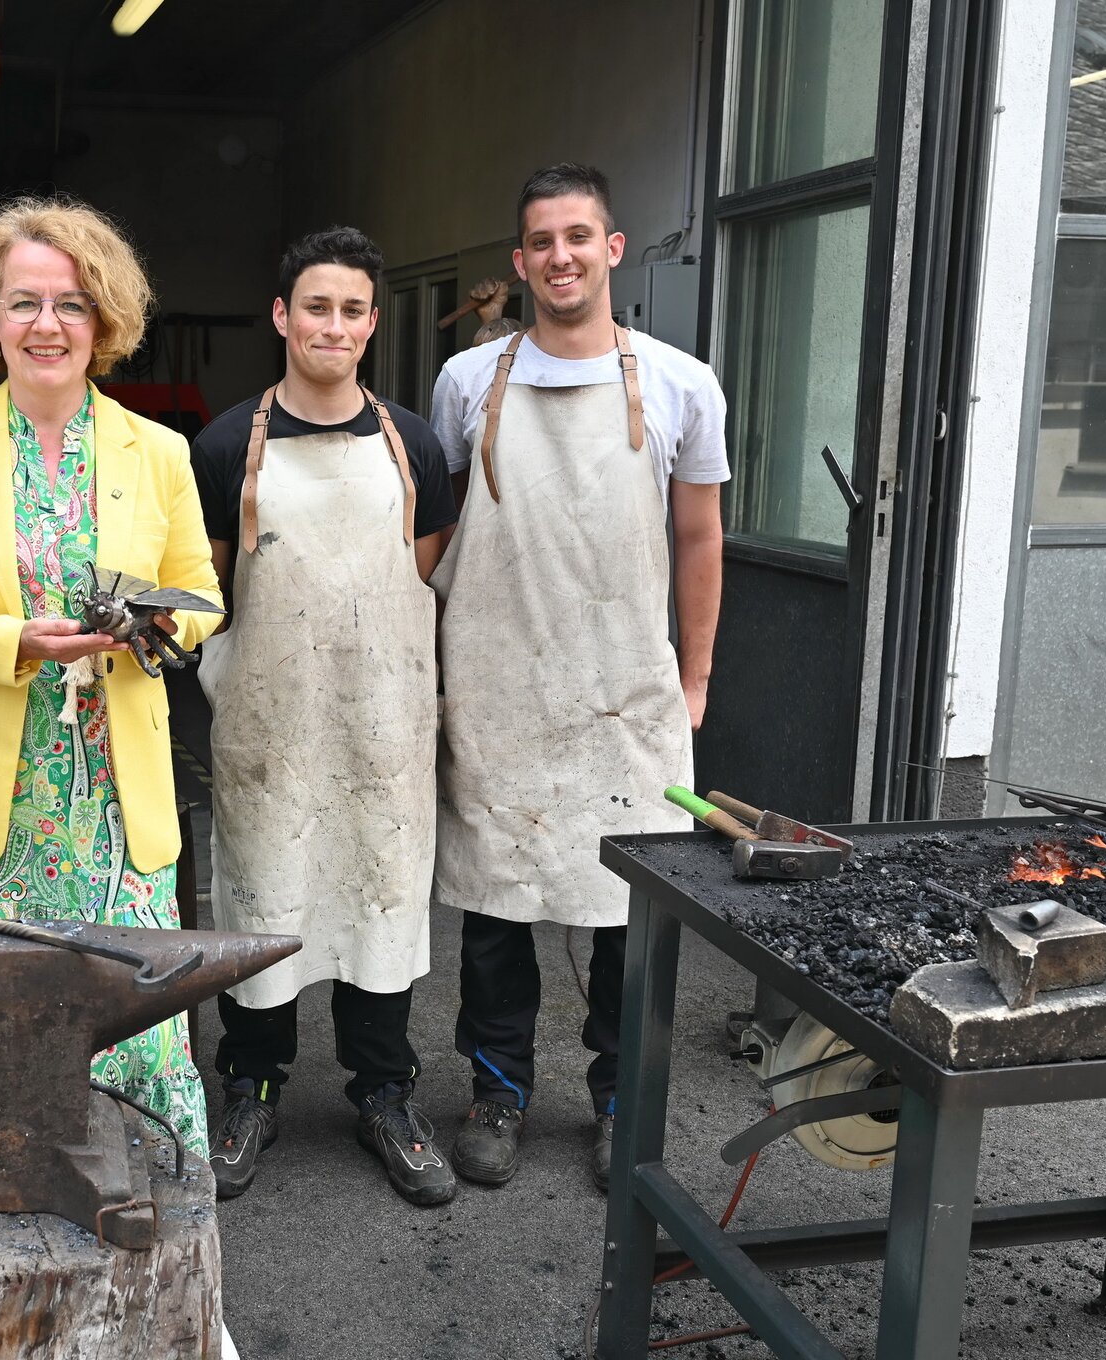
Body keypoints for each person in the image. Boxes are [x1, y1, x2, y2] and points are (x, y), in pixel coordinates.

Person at [0, 197, 222, 1160]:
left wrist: (148, 624)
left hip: (113, 791)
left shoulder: (161, 453)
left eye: (71, 304)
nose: (48, 325)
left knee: (133, 1012)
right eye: (24, 303)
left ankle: (153, 1217)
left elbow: (201, 597)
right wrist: (16, 640)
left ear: (103, 322)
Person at [430, 163, 727, 1192]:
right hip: (498, 682)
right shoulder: (468, 381)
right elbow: (442, 531)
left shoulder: (682, 383)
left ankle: (616, 1099)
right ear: (517, 264)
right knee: (495, 907)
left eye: (577, 236)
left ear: (610, 247)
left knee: (624, 915)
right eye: (539, 241)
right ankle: (496, 1089)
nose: (559, 255)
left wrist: (691, 678)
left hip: (621, 694)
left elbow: (696, 537)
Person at [189, 227, 460, 1205]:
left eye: (350, 309)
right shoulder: (226, 445)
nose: (331, 325)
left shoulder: (413, 441)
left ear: (370, 323)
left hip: (378, 729)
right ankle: (251, 1085)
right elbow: (203, 592)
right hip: (269, 732)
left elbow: (422, 578)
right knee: (262, 905)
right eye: (315, 306)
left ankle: (384, 1091)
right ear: (280, 316)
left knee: (379, 903)